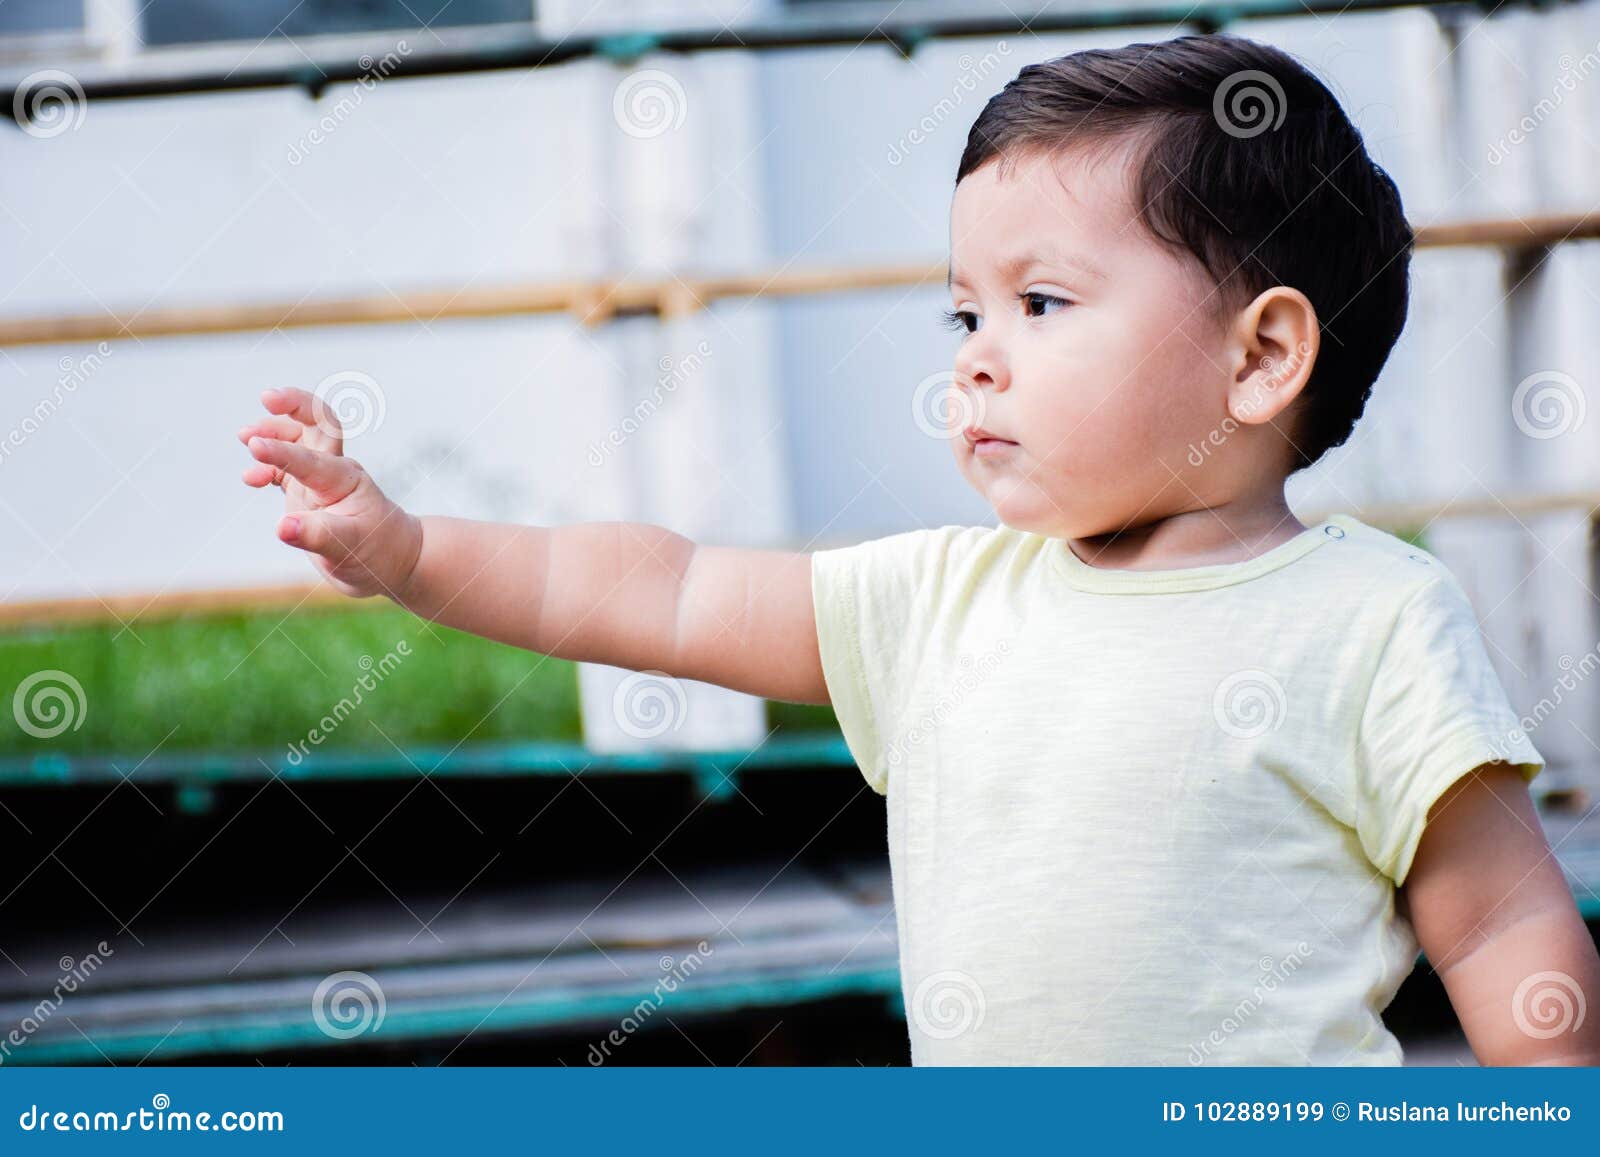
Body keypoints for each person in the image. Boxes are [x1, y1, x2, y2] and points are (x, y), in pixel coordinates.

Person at [238, 33, 1600, 1065]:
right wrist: (413, 549)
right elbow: (652, 587)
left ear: (1262, 356)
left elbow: (1496, 925)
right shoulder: (936, 602)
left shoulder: (1372, 619)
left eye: (1043, 301)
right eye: (967, 318)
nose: (981, 363)